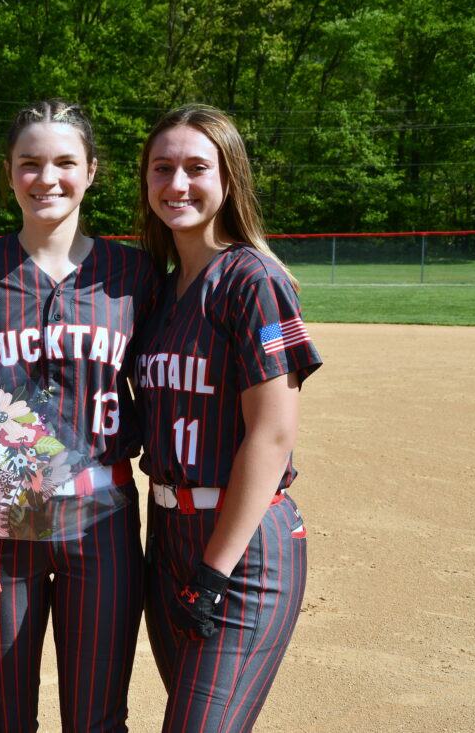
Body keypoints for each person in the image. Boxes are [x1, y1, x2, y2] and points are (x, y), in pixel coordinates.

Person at [0, 100, 159, 732]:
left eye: (65, 162)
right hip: (0, 512)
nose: (48, 178)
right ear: (9, 174)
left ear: (91, 170)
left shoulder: (134, 272)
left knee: (96, 715)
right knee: (2, 713)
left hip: (102, 514)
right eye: (30, 163)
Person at [132, 104, 322, 732]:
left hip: (243, 547)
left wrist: (214, 571)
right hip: (167, 537)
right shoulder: (159, 291)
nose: (177, 184)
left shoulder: (253, 280)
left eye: (196, 167)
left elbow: (272, 433)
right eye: (163, 168)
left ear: (229, 179)